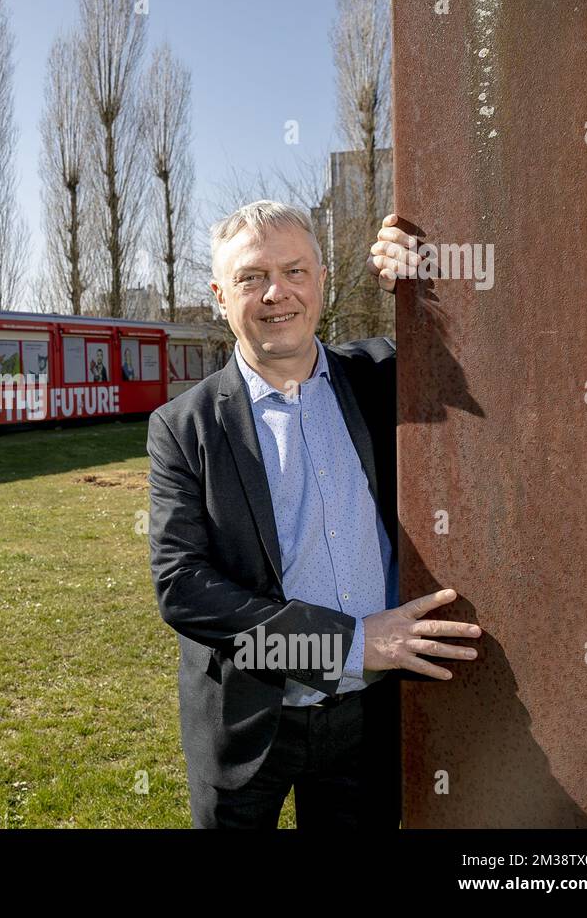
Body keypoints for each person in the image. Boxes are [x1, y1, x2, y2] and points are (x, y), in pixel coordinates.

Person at [146, 202, 484, 828]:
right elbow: (183, 589)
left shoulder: (383, 378)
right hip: (246, 724)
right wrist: (352, 643)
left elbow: (486, 349)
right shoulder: (183, 426)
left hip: (368, 722)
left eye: (295, 270)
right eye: (252, 278)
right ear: (220, 296)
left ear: (323, 279)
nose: (277, 293)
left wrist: (422, 275)